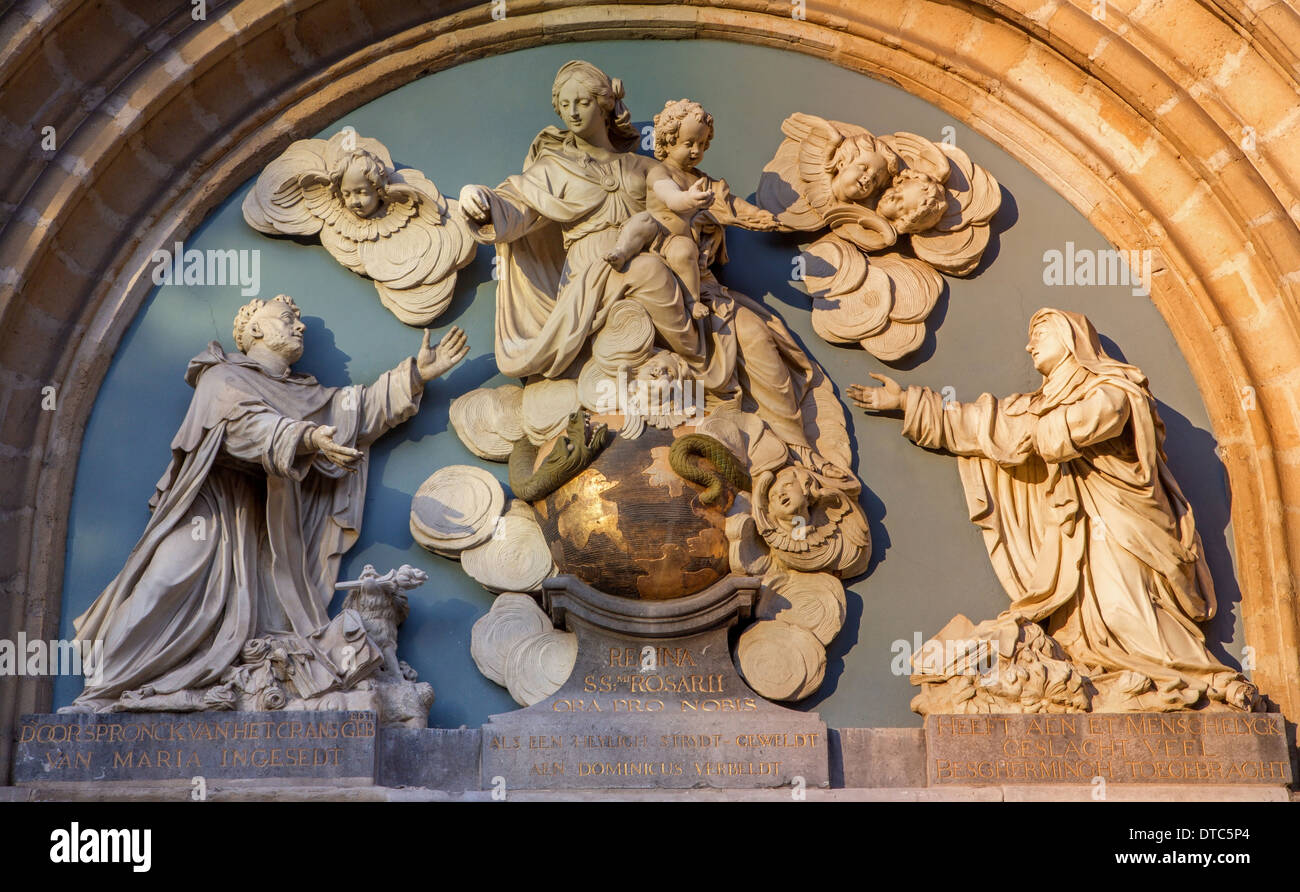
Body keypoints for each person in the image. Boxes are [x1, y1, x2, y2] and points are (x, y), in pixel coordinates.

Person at [64, 294, 468, 712]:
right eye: (287, 318)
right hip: (214, 510)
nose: (300, 326)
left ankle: (232, 683)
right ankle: (105, 690)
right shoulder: (221, 377)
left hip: (273, 522)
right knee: (165, 581)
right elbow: (243, 426)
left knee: (272, 617)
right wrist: (306, 437)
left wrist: (416, 375)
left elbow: (356, 409)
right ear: (254, 329)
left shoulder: (304, 394)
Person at [848, 308, 1257, 711]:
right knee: (1090, 624)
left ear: (1069, 339)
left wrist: (1028, 432)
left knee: (1124, 609)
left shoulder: (1116, 390)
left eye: (1039, 335)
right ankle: (1132, 679)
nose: (1029, 345)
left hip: (1121, 526)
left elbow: (1075, 426)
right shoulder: (1040, 404)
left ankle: (1206, 678)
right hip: (1080, 532)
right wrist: (908, 402)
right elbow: (987, 422)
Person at [458, 61, 837, 462]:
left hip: (652, 261)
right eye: (565, 104)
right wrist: (481, 203)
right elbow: (517, 208)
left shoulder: (641, 166)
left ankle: (774, 434)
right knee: (645, 269)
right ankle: (702, 363)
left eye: (582, 102)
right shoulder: (552, 169)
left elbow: (671, 194)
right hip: (592, 273)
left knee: (741, 324)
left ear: (604, 106)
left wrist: (697, 205)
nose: (572, 112)